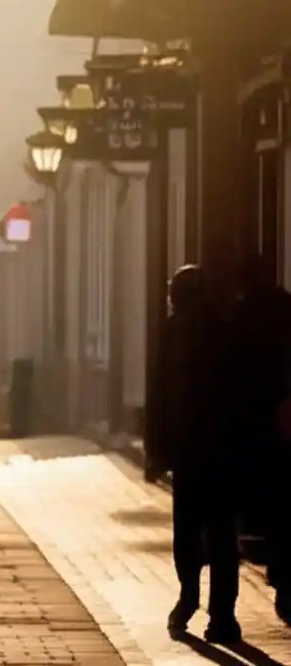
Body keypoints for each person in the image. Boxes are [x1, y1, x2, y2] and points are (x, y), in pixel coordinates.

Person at [146, 264, 242, 643]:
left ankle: (187, 599)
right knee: (222, 535)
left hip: (188, 452)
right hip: (222, 450)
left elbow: (160, 395)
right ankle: (224, 617)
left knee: (186, 532)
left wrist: (157, 450)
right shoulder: (226, 330)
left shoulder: (173, 333)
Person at [230, 255, 291, 624]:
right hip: (282, 419)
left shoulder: (239, 318)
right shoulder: (287, 310)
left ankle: (278, 570)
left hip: (255, 426)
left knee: (267, 504)